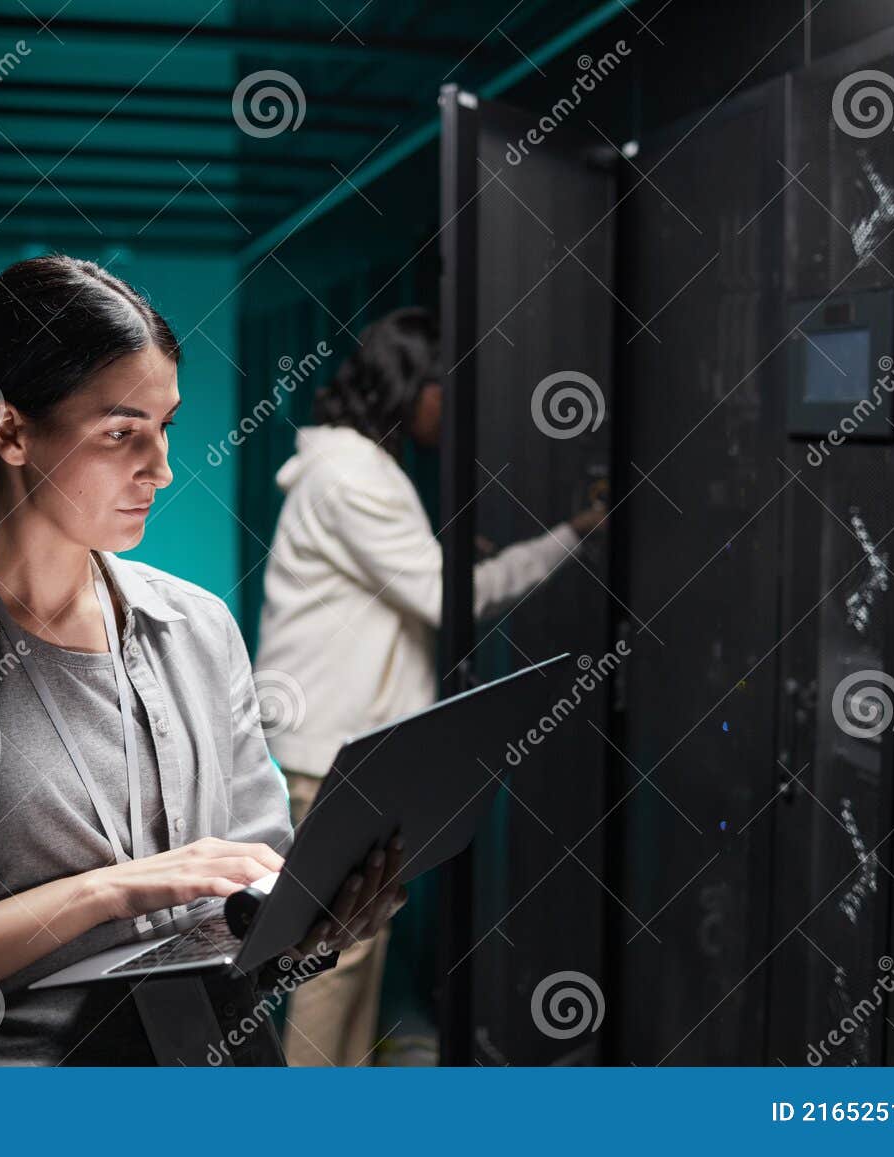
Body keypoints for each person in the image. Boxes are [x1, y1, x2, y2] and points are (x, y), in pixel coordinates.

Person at [0, 255, 404, 1065]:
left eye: (164, 427)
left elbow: (251, 912)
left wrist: (315, 926)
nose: (162, 468)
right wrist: (109, 891)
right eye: (120, 433)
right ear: (9, 430)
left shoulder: (200, 630)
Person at [253, 306, 605, 1066]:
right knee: (333, 955)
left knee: (350, 947)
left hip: (339, 739)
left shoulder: (352, 465)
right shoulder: (354, 475)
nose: (451, 403)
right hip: (336, 746)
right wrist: (573, 535)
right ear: (408, 384)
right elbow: (450, 599)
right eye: (444, 385)